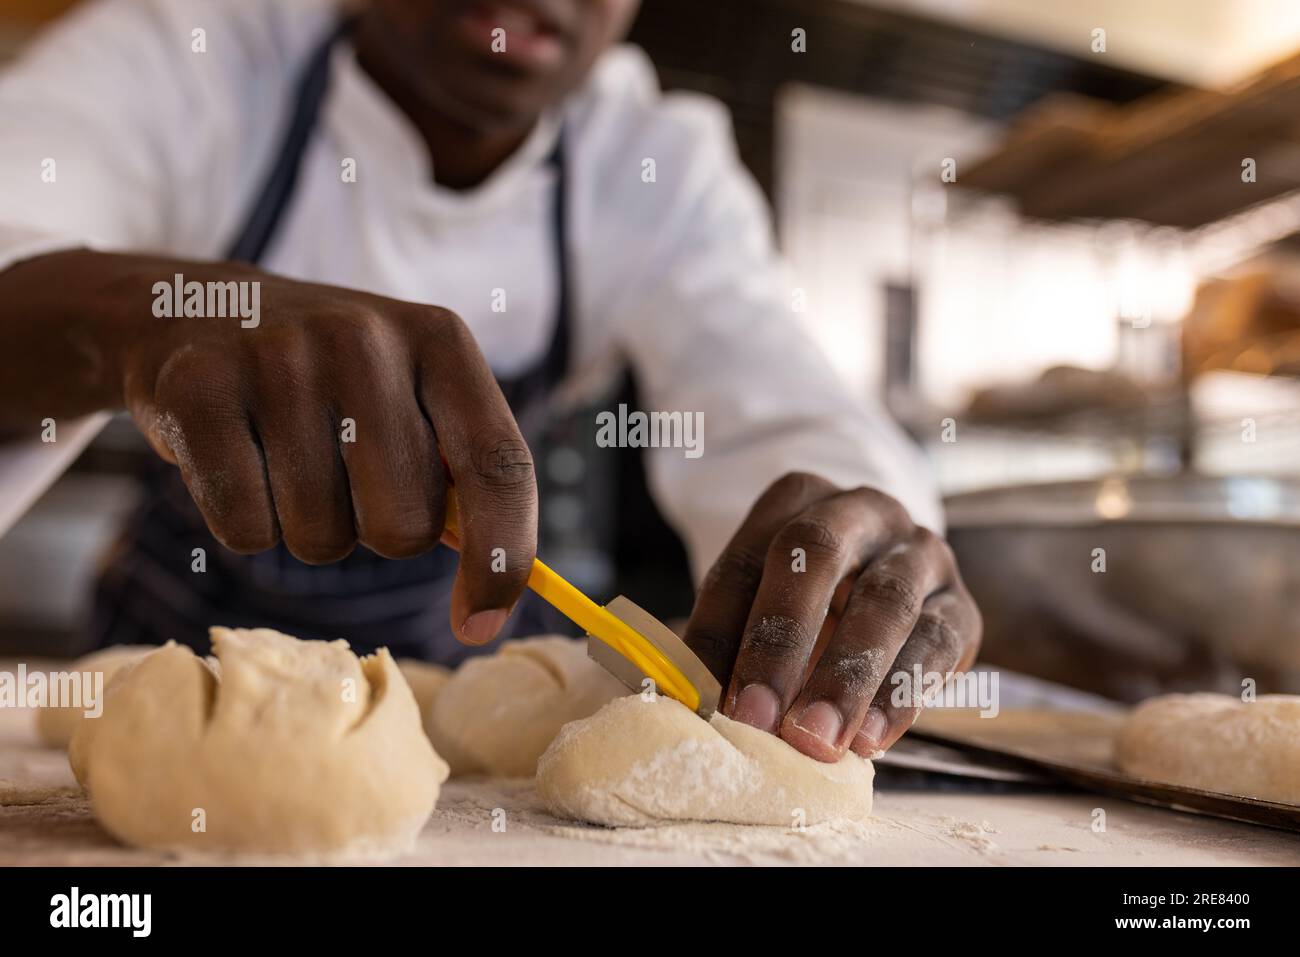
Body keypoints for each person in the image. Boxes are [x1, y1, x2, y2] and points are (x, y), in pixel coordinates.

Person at [0, 0, 979, 762]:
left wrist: (853, 547)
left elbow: (777, 405)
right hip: (172, 665)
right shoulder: (197, 54)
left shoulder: (651, 161)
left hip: (461, 721)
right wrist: (160, 317)